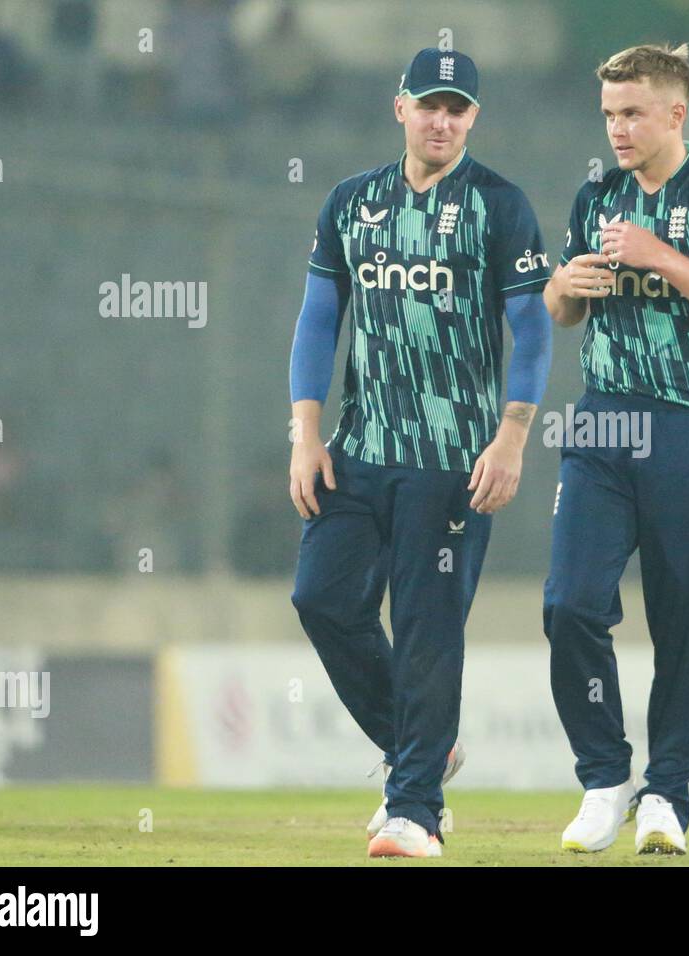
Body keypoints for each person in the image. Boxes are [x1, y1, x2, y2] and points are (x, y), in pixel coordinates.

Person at [288, 48, 552, 858]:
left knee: (430, 627)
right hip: (359, 450)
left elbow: (534, 329)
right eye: (429, 104)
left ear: (473, 118)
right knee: (321, 599)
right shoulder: (351, 202)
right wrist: (304, 433)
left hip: (452, 460)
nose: (442, 120)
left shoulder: (499, 206)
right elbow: (318, 321)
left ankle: (416, 813)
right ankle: (424, 750)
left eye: (458, 108)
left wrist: (512, 435)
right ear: (398, 106)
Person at [542, 43, 689, 855]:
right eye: (609, 114)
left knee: (686, 618)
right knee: (568, 603)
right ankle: (605, 777)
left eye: (633, 113)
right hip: (603, 421)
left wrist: (662, 259)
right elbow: (561, 310)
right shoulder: (595, 195)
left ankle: (667, 793)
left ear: (677, 112)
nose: (618, 130)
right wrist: (566, 287)